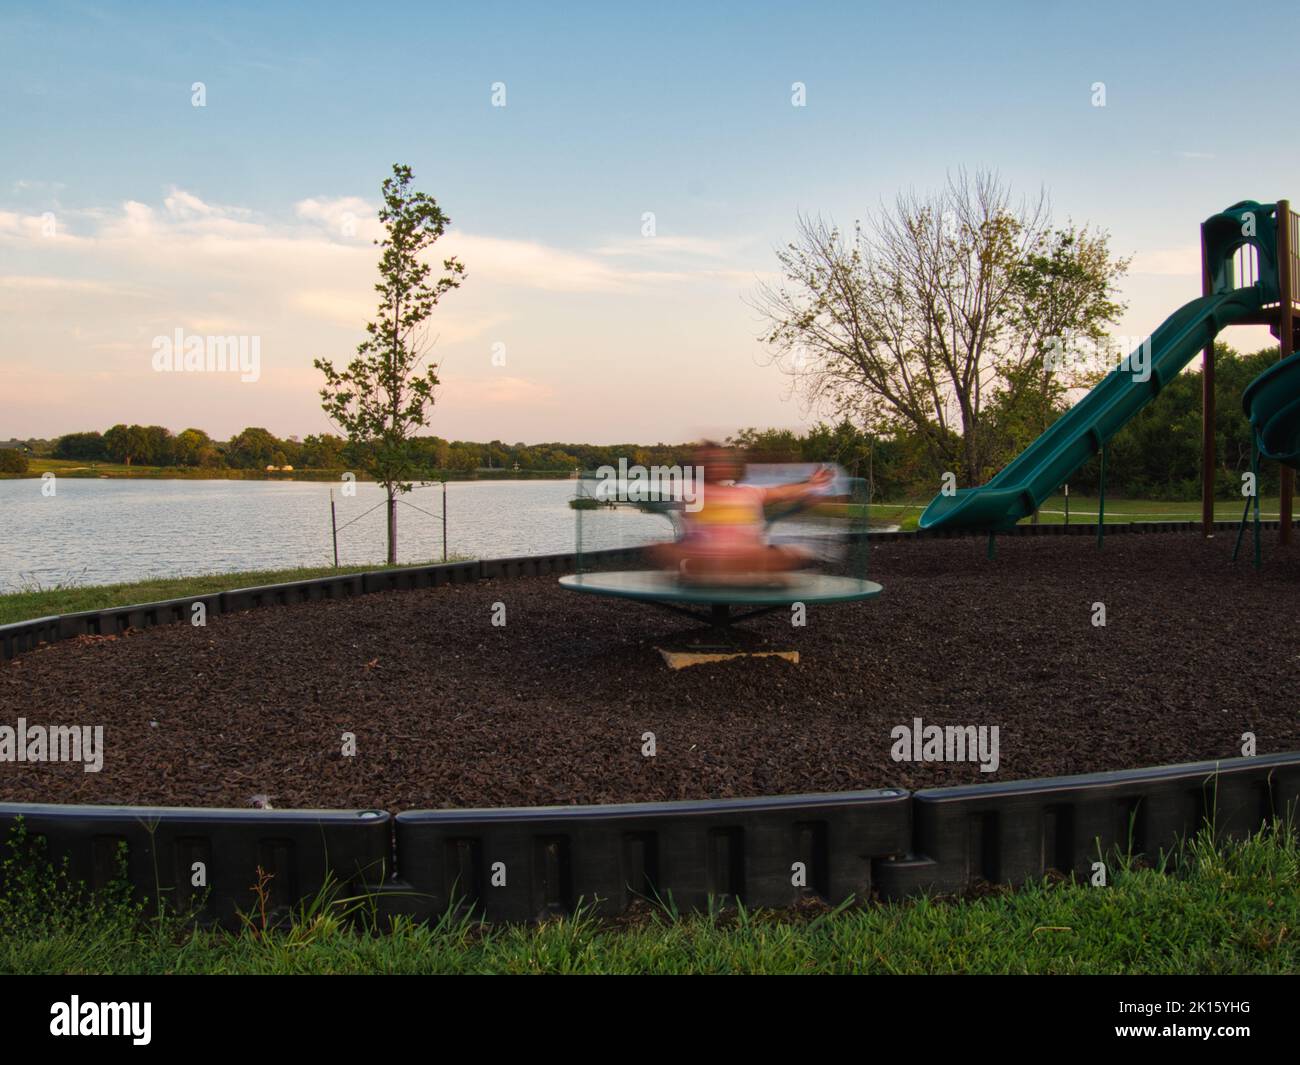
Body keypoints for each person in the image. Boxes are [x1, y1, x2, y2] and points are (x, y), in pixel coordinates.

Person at [648, 443, 833, 585]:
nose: (714, 466)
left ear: (729, 465)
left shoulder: (748, 493)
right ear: (699, 466)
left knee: (795, 553)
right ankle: (741, 572)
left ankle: (719, 571)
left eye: (719, 461)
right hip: (705, 557)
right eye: (707, 462)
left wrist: (811, 485)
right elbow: (651, 490)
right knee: (662, 549)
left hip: (737, 558)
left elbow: (782, 491)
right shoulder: (690, 490)